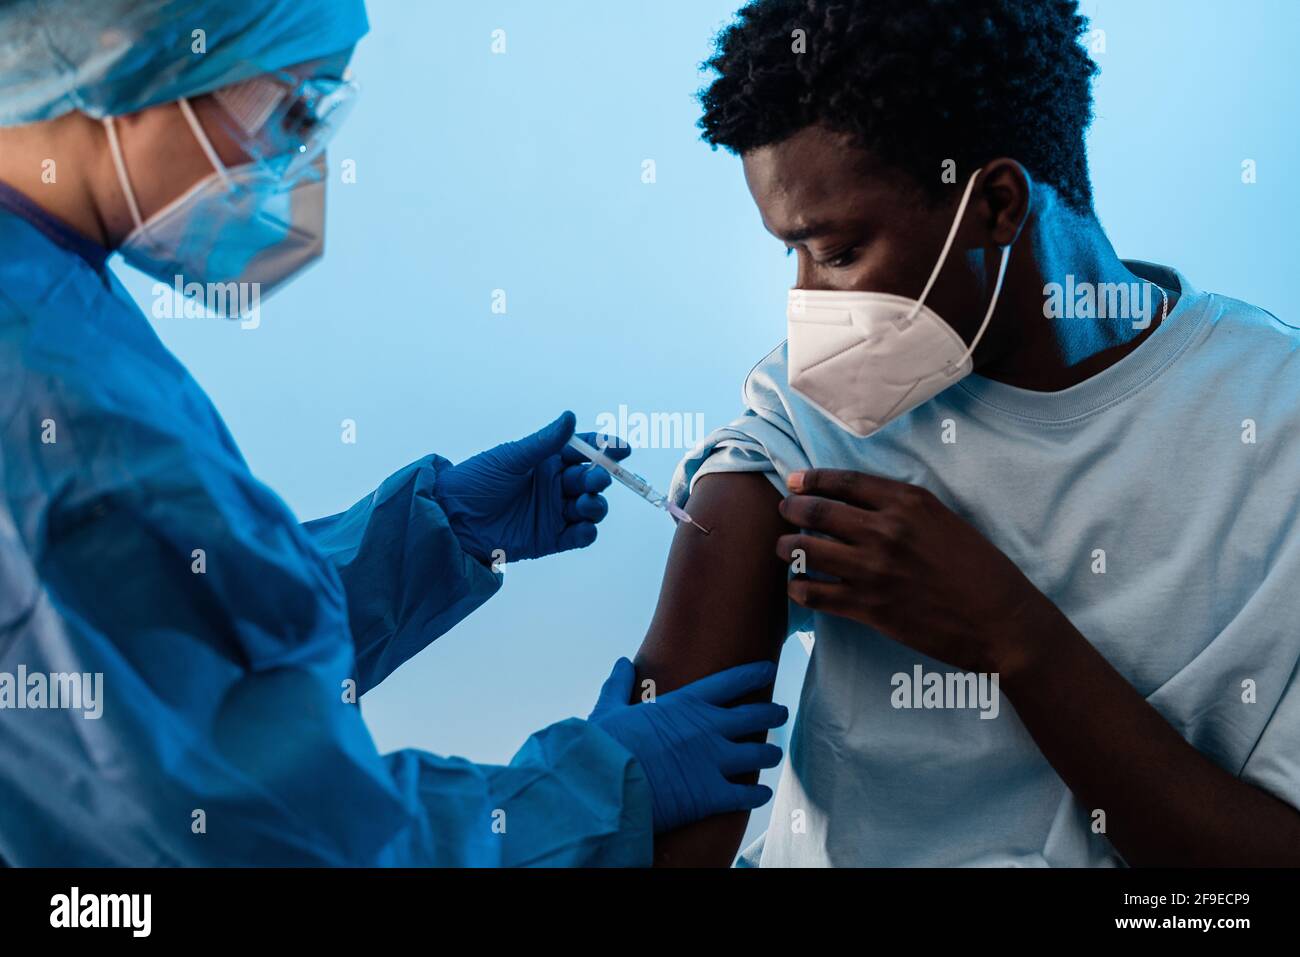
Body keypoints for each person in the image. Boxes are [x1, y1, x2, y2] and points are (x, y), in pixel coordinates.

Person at [0, 0, 786, 866]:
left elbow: (163, 624)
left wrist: (428, 535)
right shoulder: (52, 382)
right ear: (127, 49)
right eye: (293, 111)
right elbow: (257, 833)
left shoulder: (49, 293)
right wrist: (590, 789)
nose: (303, 167)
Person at [634, 0, 1300, 866]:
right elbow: (671, 819)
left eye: (834, 254)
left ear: (995, 203)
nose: (805, 314)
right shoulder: (804, 416)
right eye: (788, 253)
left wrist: (1010, 634)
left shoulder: (1272, 423)